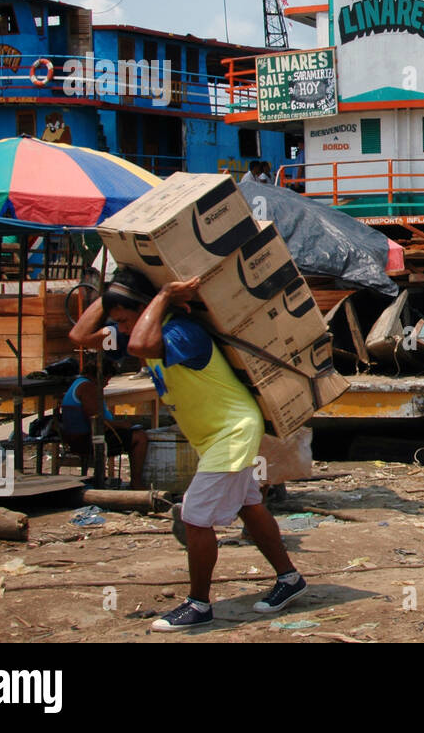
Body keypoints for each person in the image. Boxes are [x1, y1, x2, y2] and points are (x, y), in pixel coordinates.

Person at [70, 268, 308, 631]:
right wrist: (109, 297)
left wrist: (163, 295)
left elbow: (138, 346)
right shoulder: (140, 329)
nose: (120, 327)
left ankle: (199, 604)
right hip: (215, 434)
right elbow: (80, 335)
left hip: (231, 430)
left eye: (124, 318)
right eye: (116, 321)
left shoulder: (182, 332)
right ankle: (289, 579)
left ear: (144, 309)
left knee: (194, 516)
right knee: (248, 503)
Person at [60, 358, 149, 489]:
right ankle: (136, 482)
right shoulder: (87, 387)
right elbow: (97, 421)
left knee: (133, 432)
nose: (107, 383)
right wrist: (122, 425)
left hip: (83, 437)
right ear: (99, 375)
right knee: (140, 437)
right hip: (88, 441)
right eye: (107, 378)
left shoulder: (80, 384)